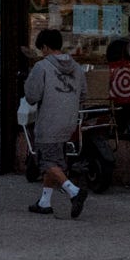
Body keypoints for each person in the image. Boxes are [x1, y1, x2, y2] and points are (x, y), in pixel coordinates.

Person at [23, 29, 88, 219]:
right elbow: (83, 94)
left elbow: (32, 96)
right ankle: (44, 201)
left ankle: (74, 191)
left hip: (49, 121)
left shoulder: (41, 67)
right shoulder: (76, 67)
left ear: (44, 47)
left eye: (41, 48)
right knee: (56, 160)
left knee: (47, 161)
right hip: (69, 120)